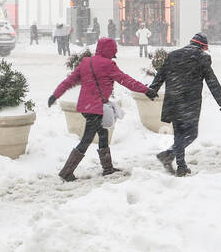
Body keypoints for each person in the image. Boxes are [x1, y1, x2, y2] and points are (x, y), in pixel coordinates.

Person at [49, 37, 152, 181]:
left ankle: (108, 168)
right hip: (96, 108)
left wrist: (55, 95)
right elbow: (126, 80)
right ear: (110, 50)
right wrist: (146, 90)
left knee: (102, 134)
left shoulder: (86, 62)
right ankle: (66, 172)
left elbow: (69, 81)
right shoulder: (108, 64)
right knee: (86, 139)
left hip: (86, 107)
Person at [146, 32, 221, 177]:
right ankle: (170, 155)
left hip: (174, 100)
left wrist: (153, 89)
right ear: (203, 47)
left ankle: (180, 166)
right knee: (191, 134)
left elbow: (161, 74)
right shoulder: (202, 57)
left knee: (179, 133)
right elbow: (211, 81)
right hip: (190, 102)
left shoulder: (173, 55)